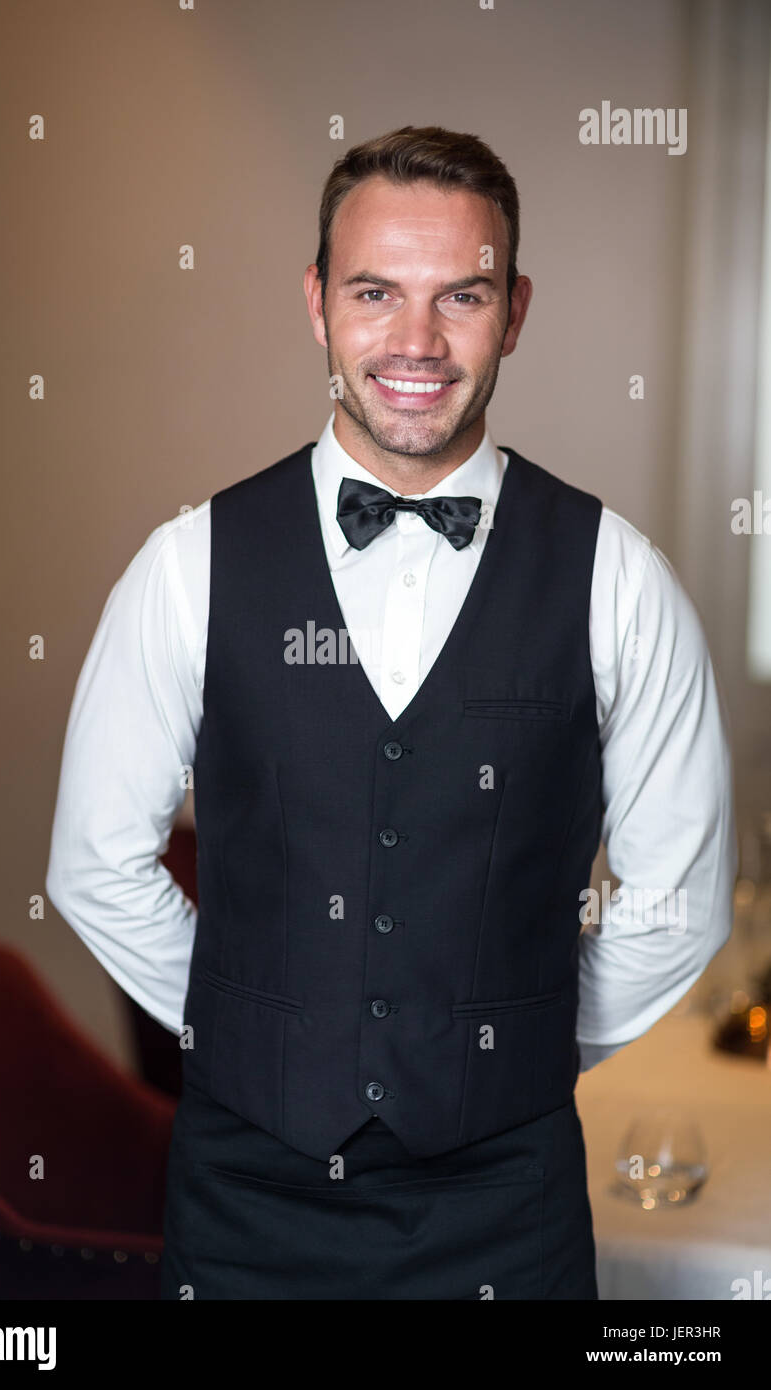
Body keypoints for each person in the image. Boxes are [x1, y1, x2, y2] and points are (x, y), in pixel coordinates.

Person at [46, 125, 736, 1300]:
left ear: (513, 311)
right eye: (375, 292)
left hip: (504, 1220)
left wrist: (506, 1047)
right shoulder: (189, 564)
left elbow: (678, 901)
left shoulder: (616, 576)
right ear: (317, 304)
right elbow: (94, 865)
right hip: (242, 1208)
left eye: (458, 296)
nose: (414, 343)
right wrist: (265, 1034)